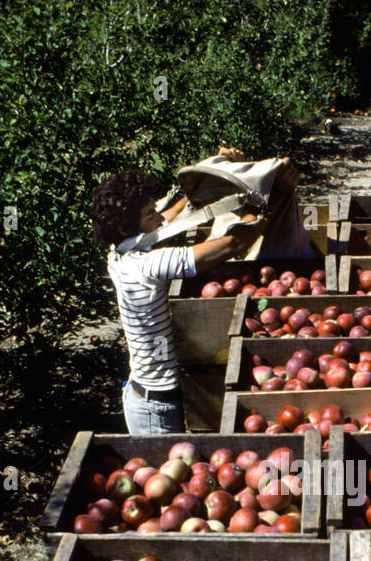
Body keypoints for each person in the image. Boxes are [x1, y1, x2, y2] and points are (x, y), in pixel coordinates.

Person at [90, 148, 265, 434]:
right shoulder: (146, 265)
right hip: (155, 410)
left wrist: (204, 178)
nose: (158, 218)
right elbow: (233, 245)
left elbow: (167, 220)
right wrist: (263, 208)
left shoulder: (118, 251)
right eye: (149, 214)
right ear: (125, 227)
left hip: (145, 396)